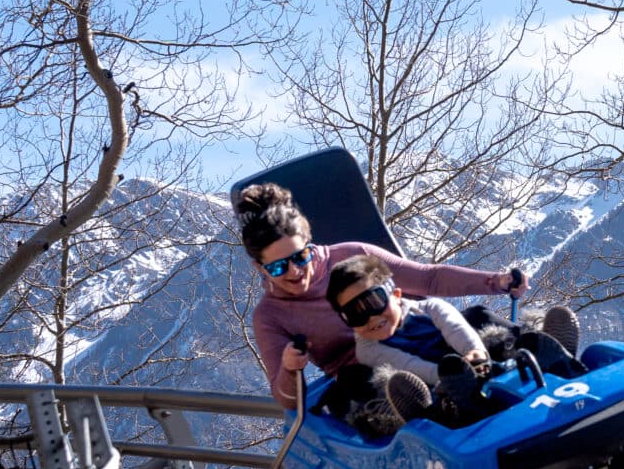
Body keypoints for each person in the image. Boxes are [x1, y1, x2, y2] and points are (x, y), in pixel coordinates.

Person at [235, 181, 541, 406]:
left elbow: (427, 280)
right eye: (277, 268)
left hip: (417, 336)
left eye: (302, 257)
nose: (294, 271)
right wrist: (290, 368)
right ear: (259, 267)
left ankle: (543, 352)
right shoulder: (271, 316)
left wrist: (496, 282)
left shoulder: (353, 255)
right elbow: (287, 399)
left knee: (477, 317)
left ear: (310, 242)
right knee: (354, 385)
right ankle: (436, 408)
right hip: (373, 370)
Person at [324, 254, 585, 436]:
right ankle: (440, 411)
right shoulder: (368, 349)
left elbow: (456, 329)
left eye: (373, 303)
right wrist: (454, 374)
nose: (371, 318)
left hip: (479, 361)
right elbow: (410, 366)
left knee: (478, 316)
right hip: (442, 384)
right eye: (355, 315)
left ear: (396, 294)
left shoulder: (429, 308)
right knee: (366, 380)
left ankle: (551, 353)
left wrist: (476, 354)